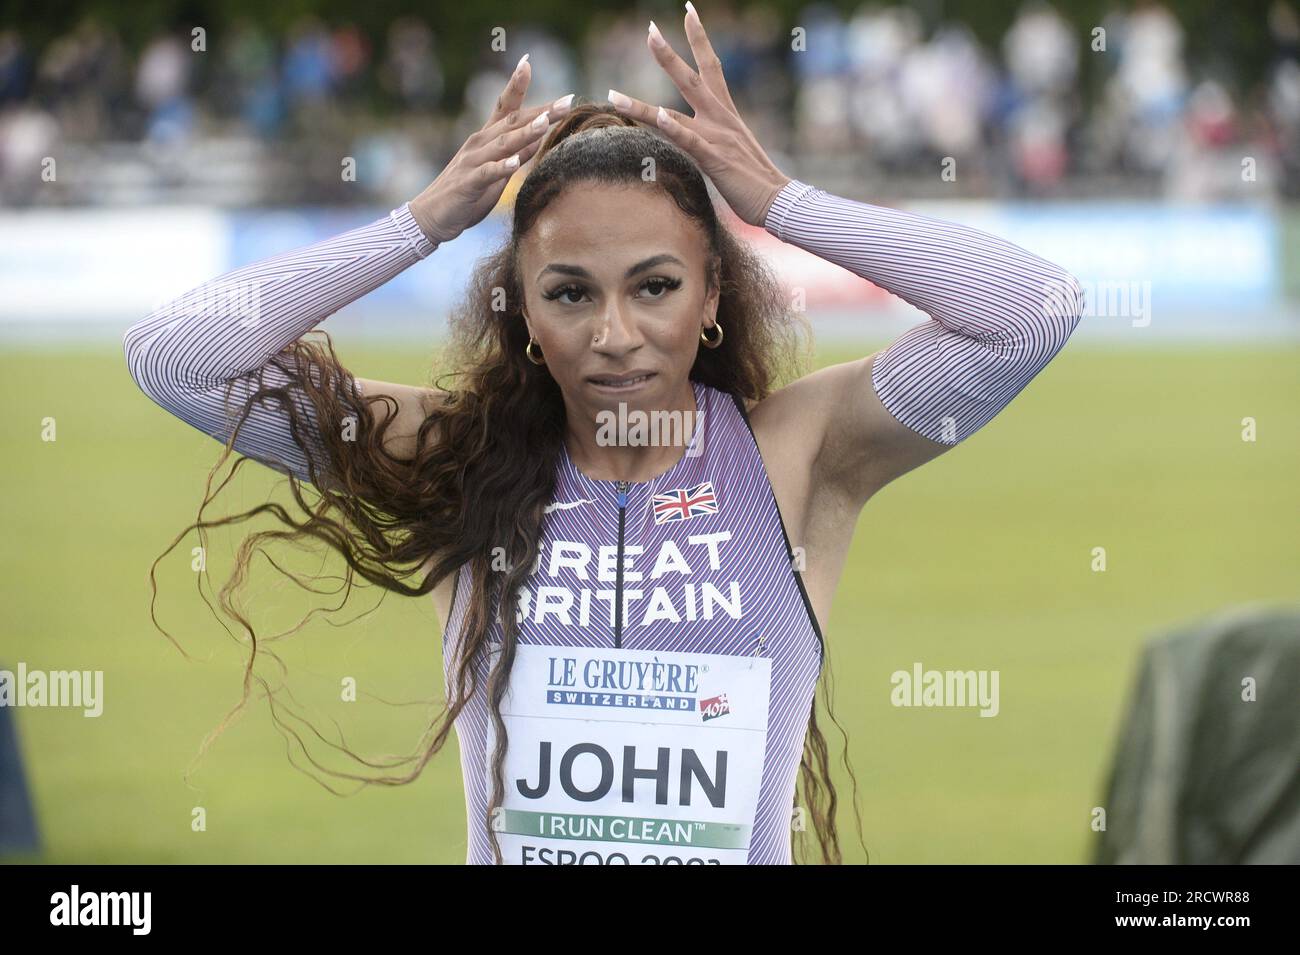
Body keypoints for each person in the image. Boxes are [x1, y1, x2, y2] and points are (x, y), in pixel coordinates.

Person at [123, 7, 1084, 865]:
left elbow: (1033, 309)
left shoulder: (798, 454)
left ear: (712, 294)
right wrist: (419, 223)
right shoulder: (459, 458)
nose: (614, 333)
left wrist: (780, 201)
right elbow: (177, 359)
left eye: (655, 286)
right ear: (525, 311)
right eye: (570, 292)